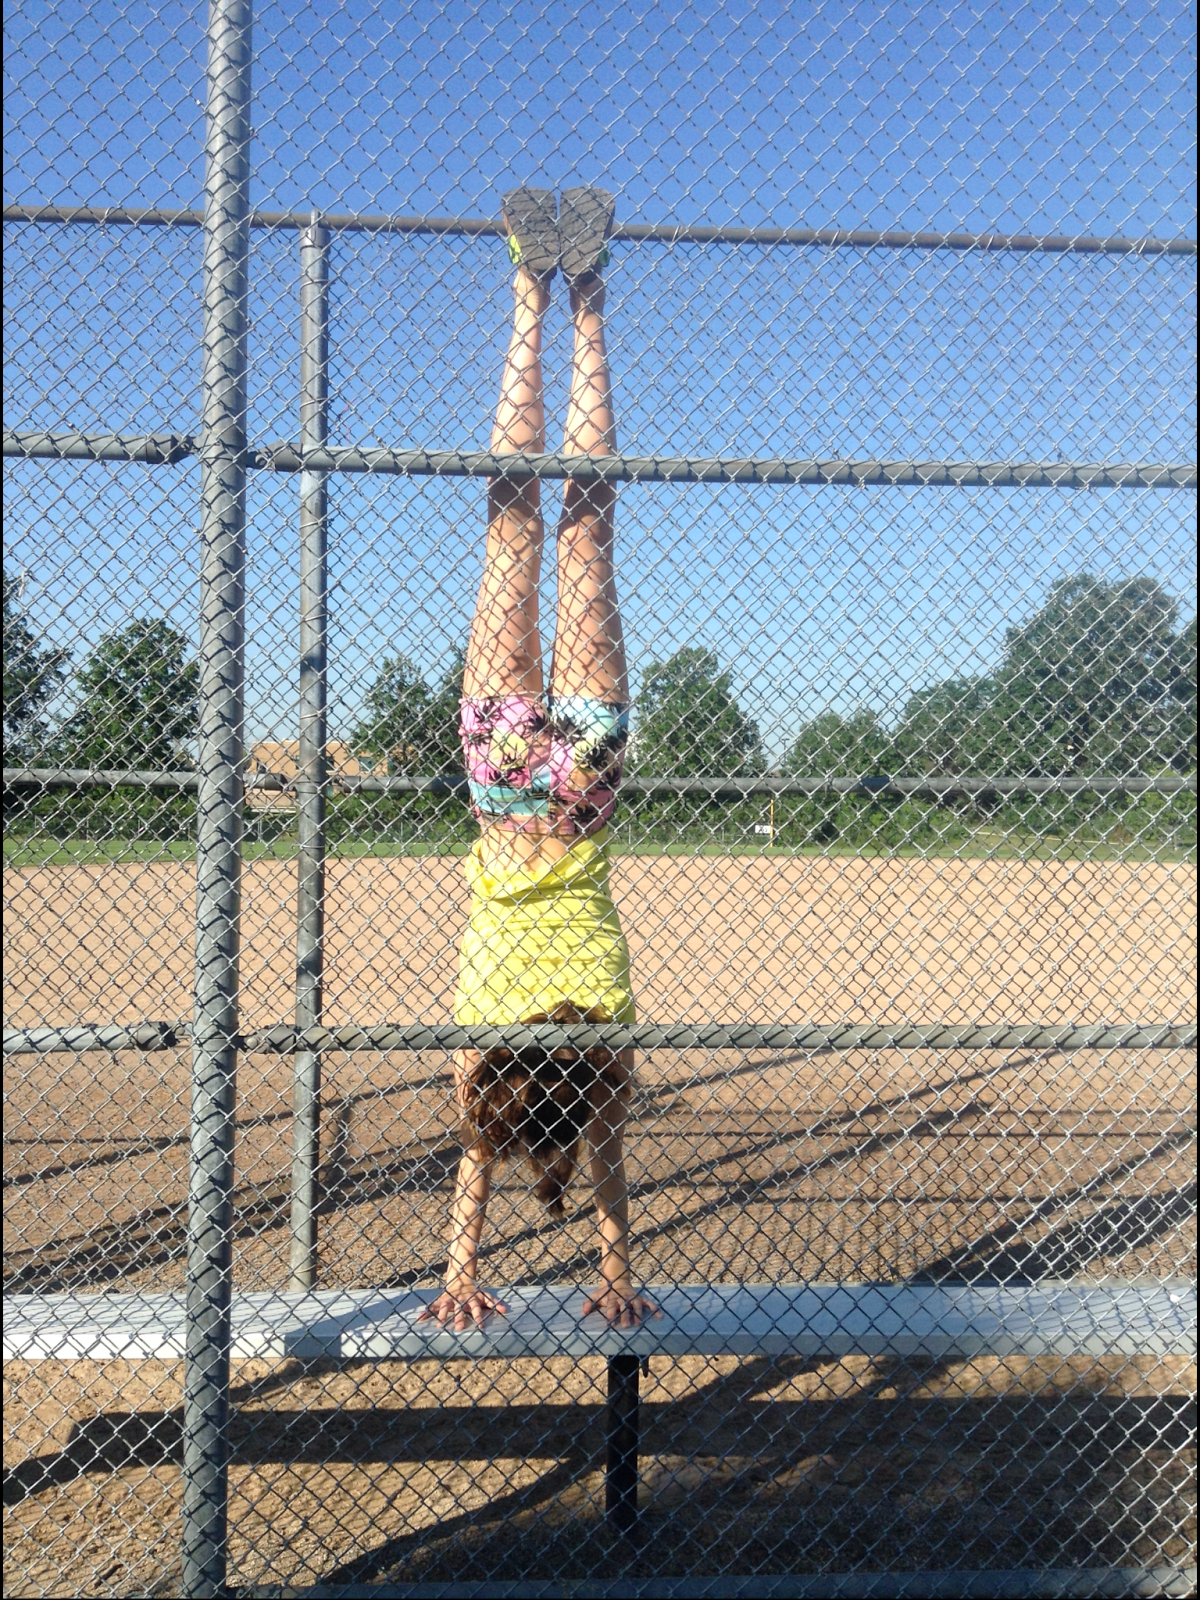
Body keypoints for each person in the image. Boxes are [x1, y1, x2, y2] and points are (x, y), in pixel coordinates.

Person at [419, 187, 659, 1333]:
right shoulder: (567, 1080)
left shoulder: (553, 1081)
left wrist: (463, 1274)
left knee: (558, 526)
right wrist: (600, 1267)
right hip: (537, 788)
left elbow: (520, 1168)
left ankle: (558, 292)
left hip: (549, 787)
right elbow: (574, 1172)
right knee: (545, 525)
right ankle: (563, 293)